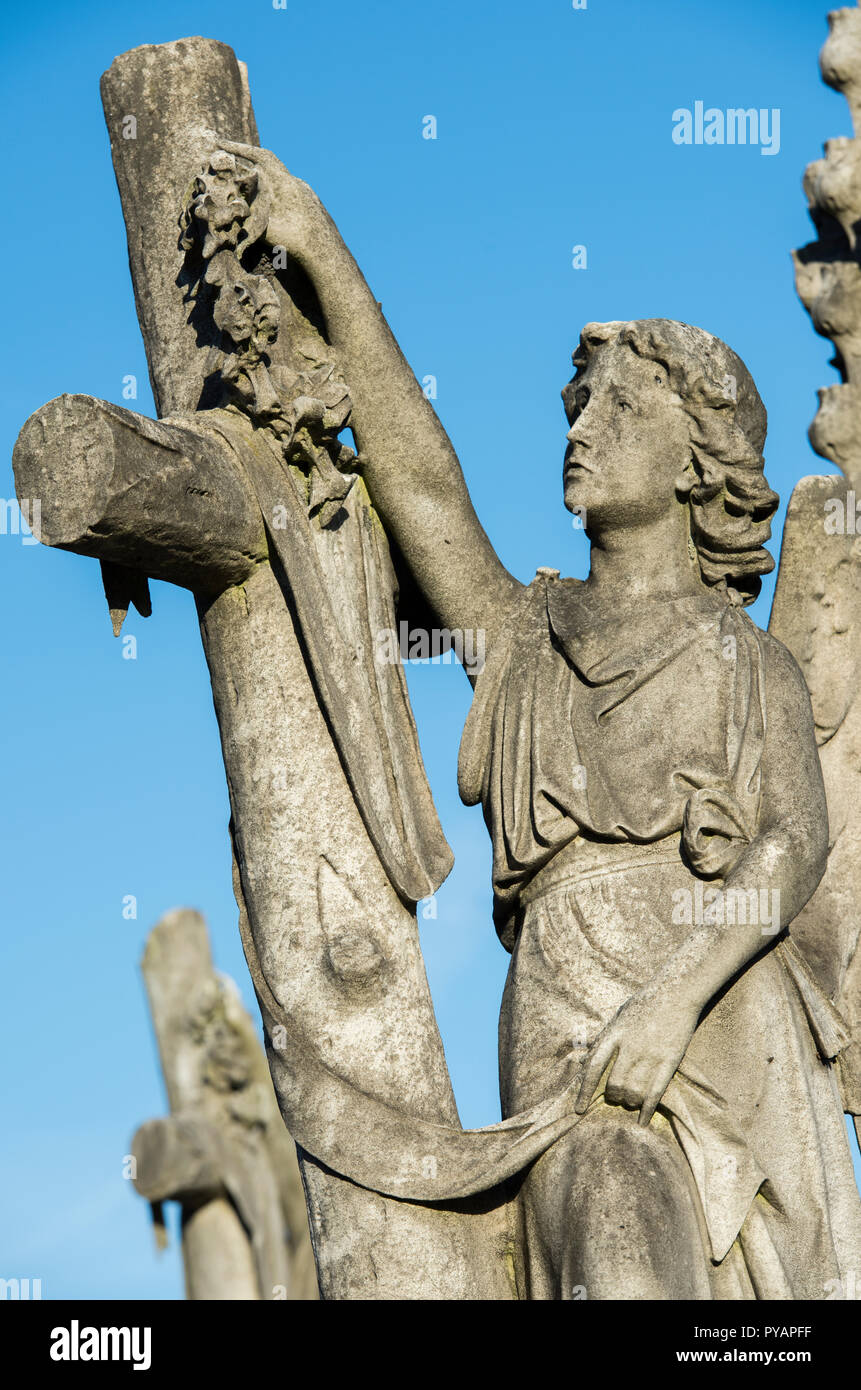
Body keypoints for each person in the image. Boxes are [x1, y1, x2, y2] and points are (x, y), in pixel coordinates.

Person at [220, 141, 861, 1298]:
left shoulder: (746, 657)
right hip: (565, 1016)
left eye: (623, 405)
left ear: (696, 464)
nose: (582, 424)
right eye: (579, 405)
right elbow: (416, 477)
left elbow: (793, 845)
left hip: (720, 1011)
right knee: (609, 1250)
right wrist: (319, 245)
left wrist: (674, 1003)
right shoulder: (522, 636)